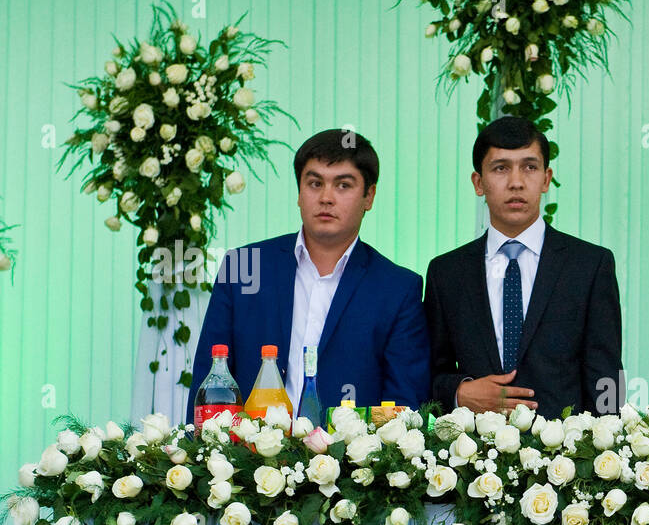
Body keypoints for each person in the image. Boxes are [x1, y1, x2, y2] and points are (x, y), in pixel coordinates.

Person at [187, 129, 430, 419]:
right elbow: (210, 384)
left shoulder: (397, 289)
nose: (326, 197)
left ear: (369, 196)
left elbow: (404, 406)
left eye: (343, 185)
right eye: (315, 183)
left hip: (349, 461)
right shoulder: (243, 267)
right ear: (300, 193)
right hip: (247, 458)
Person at [424, 116, 623, 418]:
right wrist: (459, 392)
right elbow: (428, 373)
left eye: (529, 167)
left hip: (566, 457)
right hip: (470, 457)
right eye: (501, 168)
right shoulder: (446, 273)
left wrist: (604, 452)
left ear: (546, 179)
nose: (516, 182)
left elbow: (606, 377)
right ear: (479, 182)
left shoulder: (590, 266)